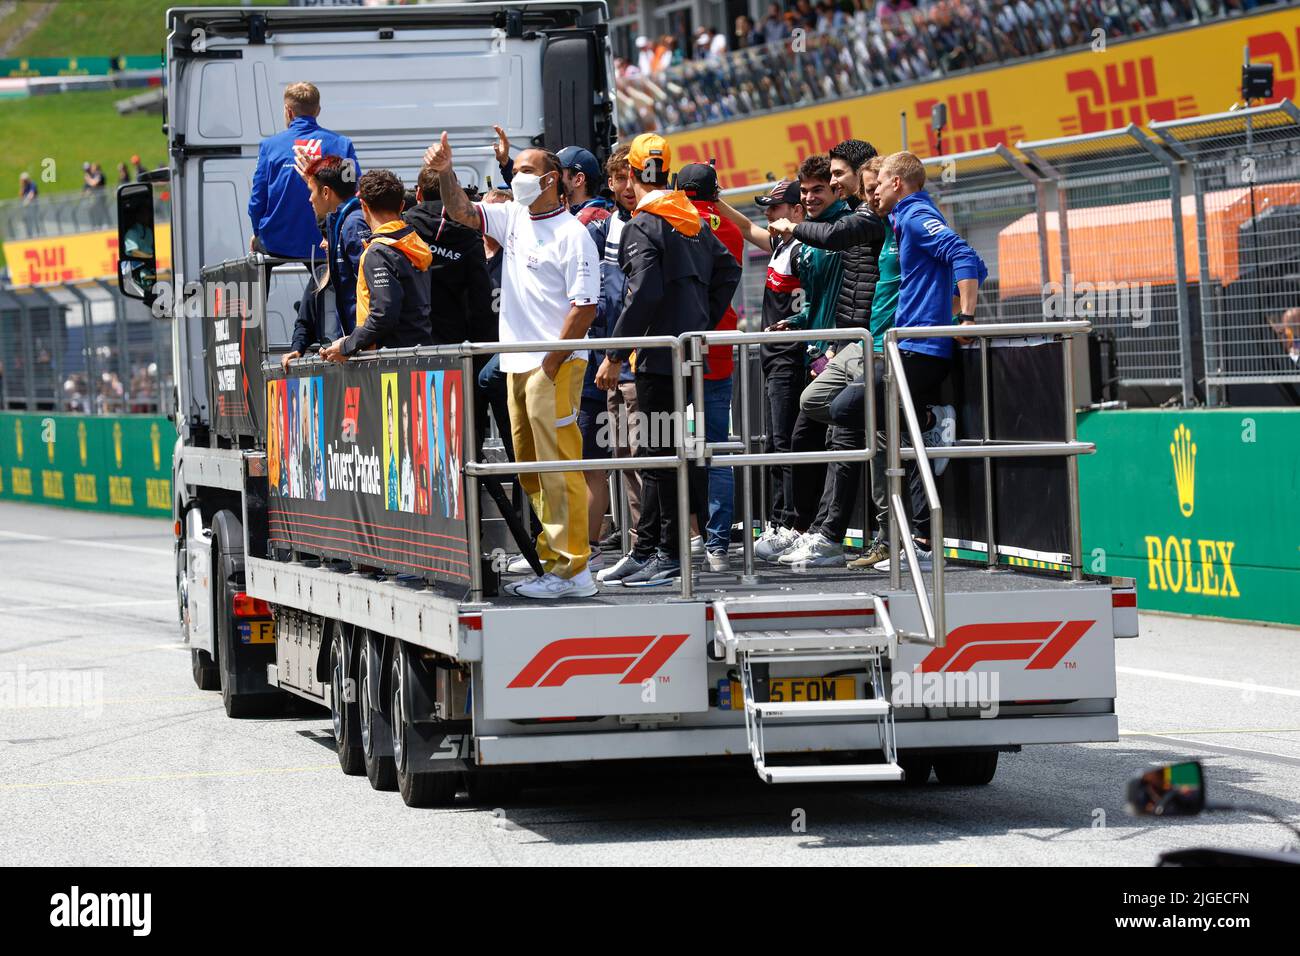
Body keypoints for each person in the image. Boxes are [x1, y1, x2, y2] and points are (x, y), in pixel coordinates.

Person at [424, 131, 601, 600]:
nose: (516, 177)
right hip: (517, 365)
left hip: (553, 366)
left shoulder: (574, 233)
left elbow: (584, 308)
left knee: (558, 465)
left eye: (525, 171)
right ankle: (554, 560)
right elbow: (462, 212)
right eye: (516, 169)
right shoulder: (514, 218)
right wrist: (445, 173)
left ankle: (574, 569)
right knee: (530, 468)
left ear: (552, 179)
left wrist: (549, 364)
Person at [593, 134, 742, 588]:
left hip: (659, 359)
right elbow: (729, 270)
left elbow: (644, 294)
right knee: (666, 453)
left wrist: (614, 353)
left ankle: (669, 555)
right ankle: (647, 550)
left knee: (660, 456)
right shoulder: (691, 218)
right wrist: (700, 319)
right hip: (688, 356)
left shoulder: (646, 223)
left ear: (634, 175)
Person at [842, 150, 987, 572]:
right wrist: (944, 296)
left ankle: (928, 420)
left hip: (920, 350)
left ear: (897, 184)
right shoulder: (905, 218)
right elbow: (976, 263)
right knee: (896, 438)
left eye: (880, 183)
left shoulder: (913, 214)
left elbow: (963, 255)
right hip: (909, 345)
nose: (875, 191)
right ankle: (915, 537)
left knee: (846, 408)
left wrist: (965, 316)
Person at [770, 138, 885, 569]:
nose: (831, 183)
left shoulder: (869, 217)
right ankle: (824, 533)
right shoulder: (862, 216)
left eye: (836, 176)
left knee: (847, 434)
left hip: (872, 342)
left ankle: (828, 534)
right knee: (844, 435)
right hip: (851, 341)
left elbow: (836, 239)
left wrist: (793, 227)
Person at [716, 179, 805, 560]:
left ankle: (789, 525)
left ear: (797, 211)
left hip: (793, 355)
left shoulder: (805, 248)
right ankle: (781, 522)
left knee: (785, 442)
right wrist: (716, 203)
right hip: (775, 355)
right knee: (775, 440)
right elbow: (747, 229)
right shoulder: (781, 243)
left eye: (775, 208)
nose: (767, 215)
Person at [677, 161, 743, 571]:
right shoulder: (731, 230)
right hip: (719, 346)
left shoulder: (674, 223)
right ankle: (717, 544)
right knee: (716, 447)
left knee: (667, 444)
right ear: (714, 191)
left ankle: (686, 539)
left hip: (676, 350)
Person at [322, 170, 434, 361]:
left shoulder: (378, 252)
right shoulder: (415, 244)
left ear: (363, 206)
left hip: (390, 361)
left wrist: (346, 345)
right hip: (419, 352)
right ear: (401, 206)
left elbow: (383, 315)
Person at [590, 146, 643, 553]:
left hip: (643, 363)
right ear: (609, 183)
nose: (628, 186)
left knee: (649, 459)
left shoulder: (659, 223)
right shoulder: (606, 228)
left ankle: (664, 546)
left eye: (634, 176)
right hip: (612, 363)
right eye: (620, 179)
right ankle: (638, 546)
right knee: (625, 459)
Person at [248, 82, 359, 259]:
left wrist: (258, 232)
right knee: (324, 280)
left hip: (276, 241)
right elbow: (352, 193)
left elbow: (256, 200)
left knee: (256, 267)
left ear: (288, 111)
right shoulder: (342, 144)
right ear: (318, 110)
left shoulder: (269, 146)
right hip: (325, 240)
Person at [282, 154, 371, 371]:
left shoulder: (353, 223)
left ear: (325, 192)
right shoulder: (343, 220)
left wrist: (356, 343)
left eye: (312, 191)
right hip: (354, 349)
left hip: (364, 352)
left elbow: (370, 290)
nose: (309, 199)